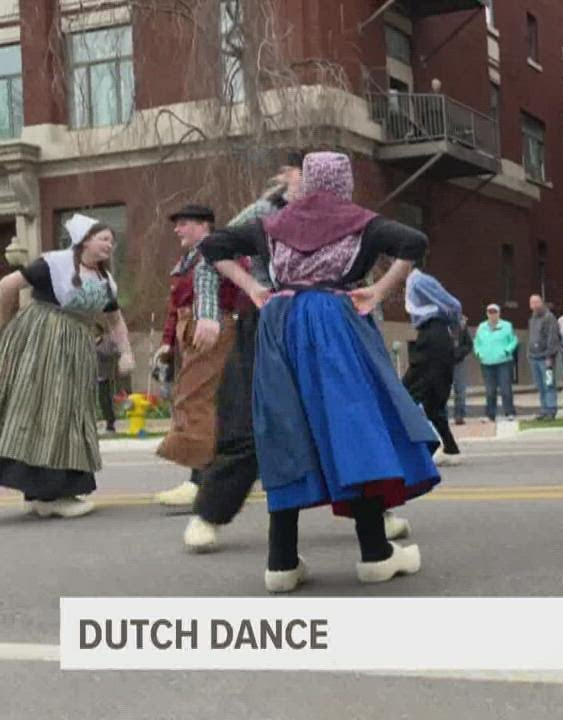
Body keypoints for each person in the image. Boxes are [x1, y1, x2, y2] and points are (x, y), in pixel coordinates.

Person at [201, 151, 440, 592]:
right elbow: (415, 243)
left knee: (285, 429)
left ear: (309, 181)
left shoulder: (272, 225)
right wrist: (380, 288)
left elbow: (212, 246)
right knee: (353, 427)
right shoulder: (363, 223)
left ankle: (281, 562)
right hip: (336, 321)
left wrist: (255, 288)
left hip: (282, 325)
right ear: (344, 181)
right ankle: (375, 553)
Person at [0, 214, 135, 518]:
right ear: (84, 240)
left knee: (69, 413)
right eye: (104, 239)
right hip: (42, 340)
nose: (109, 245)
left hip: (76, 346)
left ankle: (45, 493)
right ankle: (48, 495)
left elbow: (114, 319)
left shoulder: (104, 279)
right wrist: (3, 325)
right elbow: (7, 285)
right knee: (43, 409)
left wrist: (126, 352)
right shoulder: (53, 264)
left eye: (112, 241)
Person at [152, 204, 243, 507]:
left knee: (196, 400)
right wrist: (167, 343)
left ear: (205, 225)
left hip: (211, 326)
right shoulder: (186, 261)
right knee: (197, 400)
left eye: (184, 223)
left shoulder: (218, 251)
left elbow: (234, 287)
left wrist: (215, 319)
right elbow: (174, 306)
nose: (177, 229)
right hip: (188, 329)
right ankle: (204, 477)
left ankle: (200, 481)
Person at [403, 269, 466, 466]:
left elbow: (454, 304)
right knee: (431, 401)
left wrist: (455, 325)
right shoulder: (412, 282)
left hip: (433, 337)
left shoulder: (418, 281)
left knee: (405, 394)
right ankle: (449, 448)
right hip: (430, 336)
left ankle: (422, 447)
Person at [475, 303, 518, 421]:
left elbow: (514, 340)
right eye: (490, 312)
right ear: (487, 314)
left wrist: (507, 351)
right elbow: (477, 342)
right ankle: (490, 415)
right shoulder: (481, 327)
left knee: (505, 389)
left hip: (503, 362)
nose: (492, 315)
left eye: (494, 312)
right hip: (486, 363)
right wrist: (479, 353)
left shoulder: (507, 326)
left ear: (499, 313)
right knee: (490, 391)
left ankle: (510, 413)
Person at [526, 294, 560, 420]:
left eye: (536, 302)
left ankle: (551, 410)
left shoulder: (549, 318)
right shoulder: (532, 319)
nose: (534, 305)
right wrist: (529, 353)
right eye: (532, 303)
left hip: (546, 359)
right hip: (533, 358)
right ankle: (544, 410)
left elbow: (553, 338)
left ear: (542, 303)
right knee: (540, 386)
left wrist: (549, 356)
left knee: (549, 384)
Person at [94, 324, 120, 433]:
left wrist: (97, 350)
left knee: (105, 400)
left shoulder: (107, 342)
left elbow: (114, 353)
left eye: (94, 329)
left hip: (104, 376)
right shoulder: (87, 340)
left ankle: (110, 423)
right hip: (91, 377)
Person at [452, 318, 471, 425]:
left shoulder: (462, 326)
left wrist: (459, 354)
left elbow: (468, 345)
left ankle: (459, 416)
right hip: (442, 362)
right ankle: (441, 416)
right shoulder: (440, 324)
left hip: (458, 363)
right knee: (441, 391)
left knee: (460, 390)